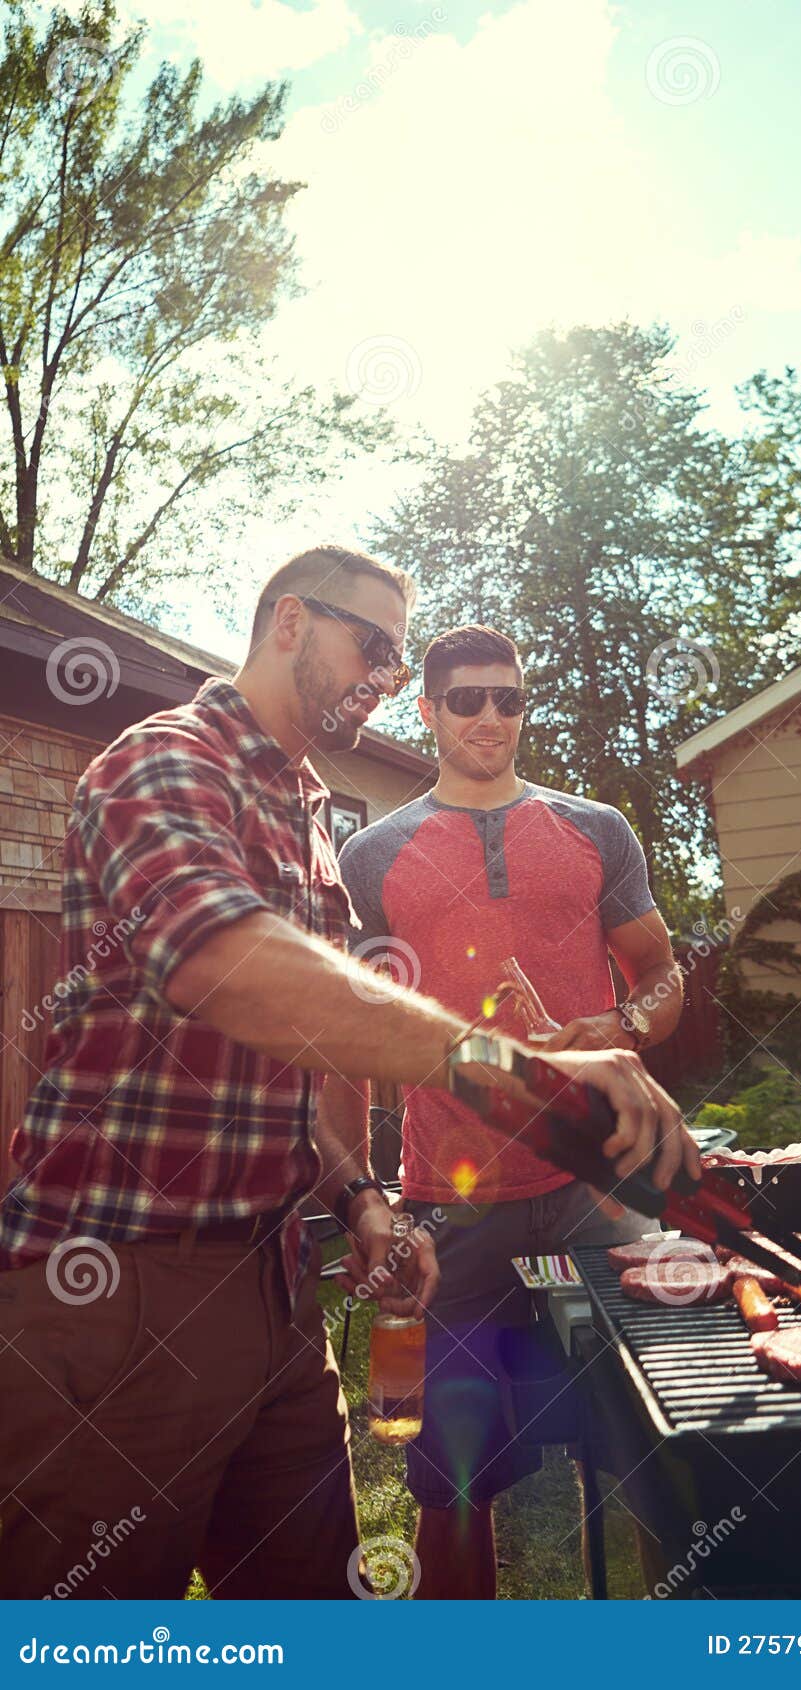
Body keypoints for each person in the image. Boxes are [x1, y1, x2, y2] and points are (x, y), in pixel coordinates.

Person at [0, 553, 692, 1600]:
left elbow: (284, 1057)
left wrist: (355, 1196)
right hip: (124, 1280)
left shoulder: (312, 811)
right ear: (289, 620)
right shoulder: (169, 760)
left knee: (312, 1610)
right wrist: (513, 1075)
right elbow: (227, 963)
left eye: (395, 652)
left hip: (278, 1289)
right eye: (370, 643)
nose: (382, 669)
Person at [338, 623, 687, 1599]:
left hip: (599, 1183)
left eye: (508, 699)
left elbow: (663, 977)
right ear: (430, 710)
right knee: (450, 1477)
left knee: (649, 1447)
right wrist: (370, 1195)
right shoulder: (372, 854)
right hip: (452, 1201)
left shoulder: (595, 829)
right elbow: (358, 1026)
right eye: (466, 699)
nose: (490, 716)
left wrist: (616, 1021)